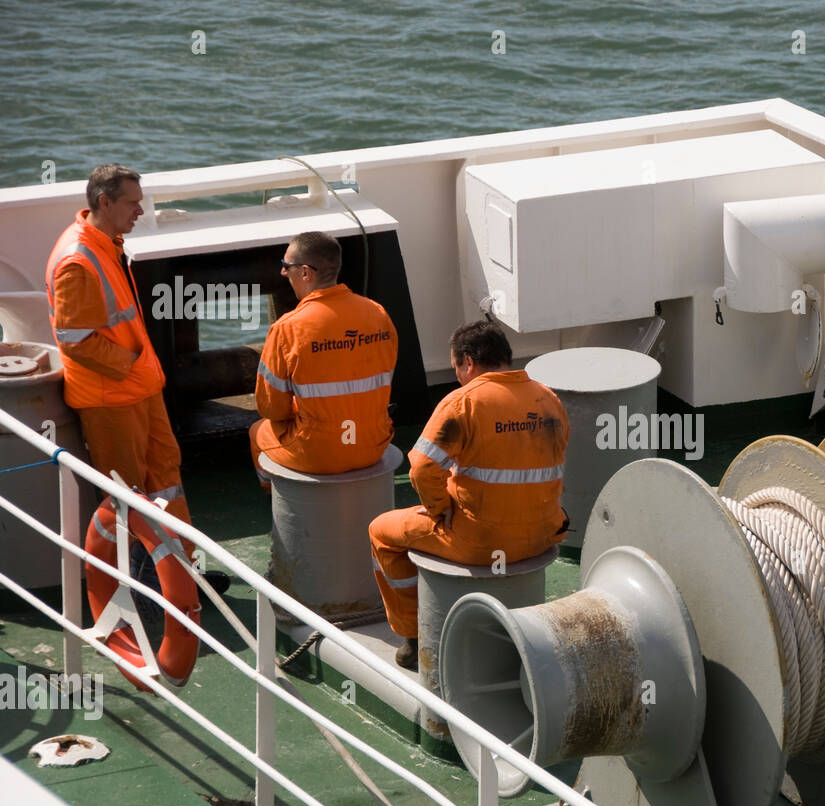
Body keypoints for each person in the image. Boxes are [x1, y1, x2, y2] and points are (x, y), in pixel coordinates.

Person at [45, 163, 227, 592]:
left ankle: (184, 574)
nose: (140, 212)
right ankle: (137, 589)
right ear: (104, 202)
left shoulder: (105, 244)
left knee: (166, 479)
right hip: (111, 399)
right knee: (126, 498)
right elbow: (77, 341)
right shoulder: (78, 259)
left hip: (140, 389)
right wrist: (131, 363)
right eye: (132, 203)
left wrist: (139, 369)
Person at [369, 319, 569, 668]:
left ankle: (413, 639)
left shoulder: (463, 402)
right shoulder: (549, 399)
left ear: (468, 363)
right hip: (543, 532)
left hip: (481, 541)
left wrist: (438, 508)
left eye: (456, 368)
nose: (458, 375)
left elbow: (421, 467)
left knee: (381, 532)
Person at [249, 231, 398, 487]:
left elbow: (271, 408)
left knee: (257, 431)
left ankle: (273, 494)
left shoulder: (288, 328)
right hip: (373, 444)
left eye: (287, 266)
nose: (284, 273)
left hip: (318, 454)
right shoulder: (378, 314)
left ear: (306, 273)